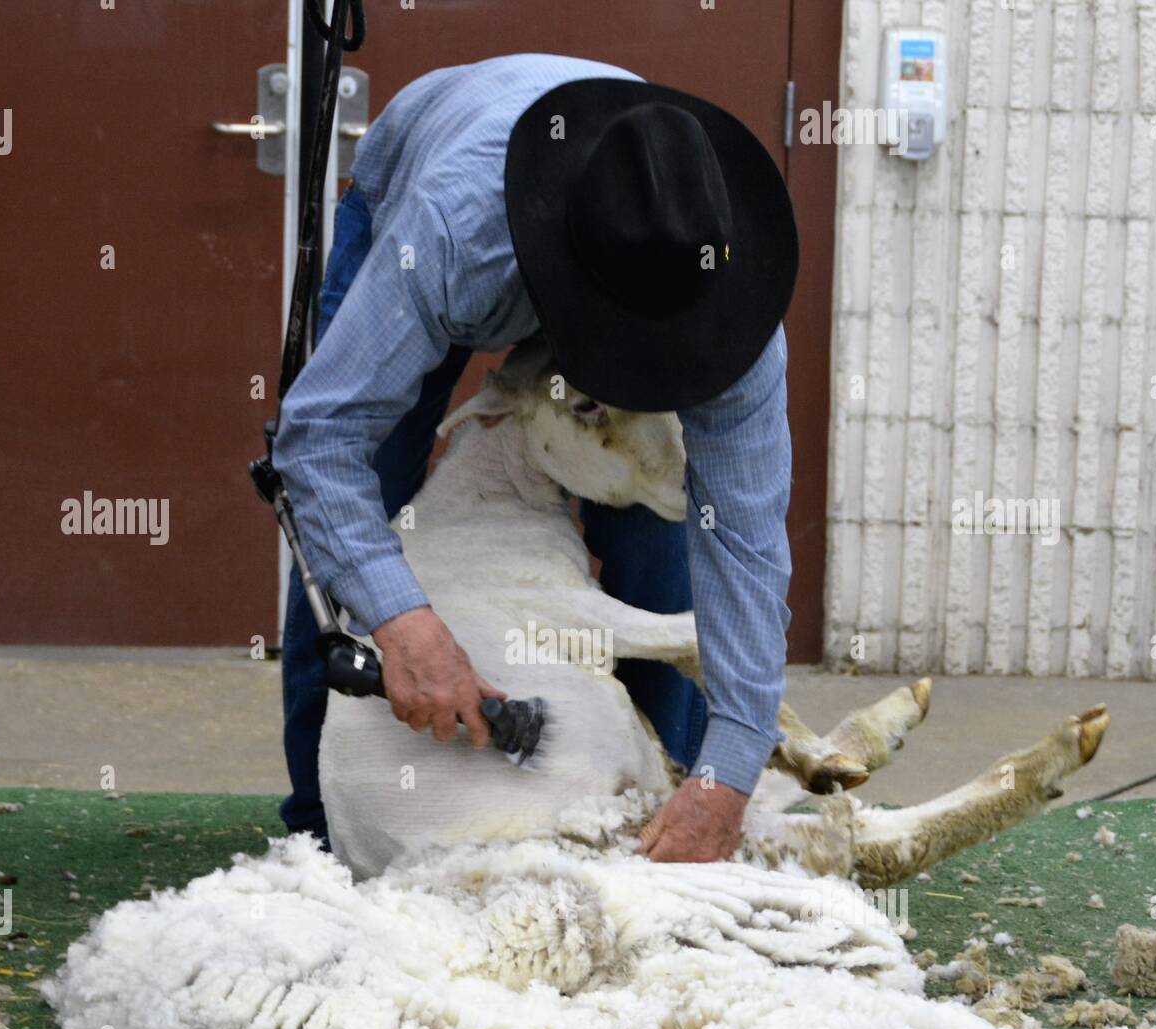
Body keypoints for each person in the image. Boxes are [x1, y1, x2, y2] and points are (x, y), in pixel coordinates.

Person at [274, 53, 798, 864]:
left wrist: (730, 773)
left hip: (618, 259)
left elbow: (744, 540)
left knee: (657, 532)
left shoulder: (732, 316)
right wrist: (402, 623)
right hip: (446, 183)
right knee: (369, 491)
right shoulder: (453, 237)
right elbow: (321, 441)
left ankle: (670, 807)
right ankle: (316, 836)